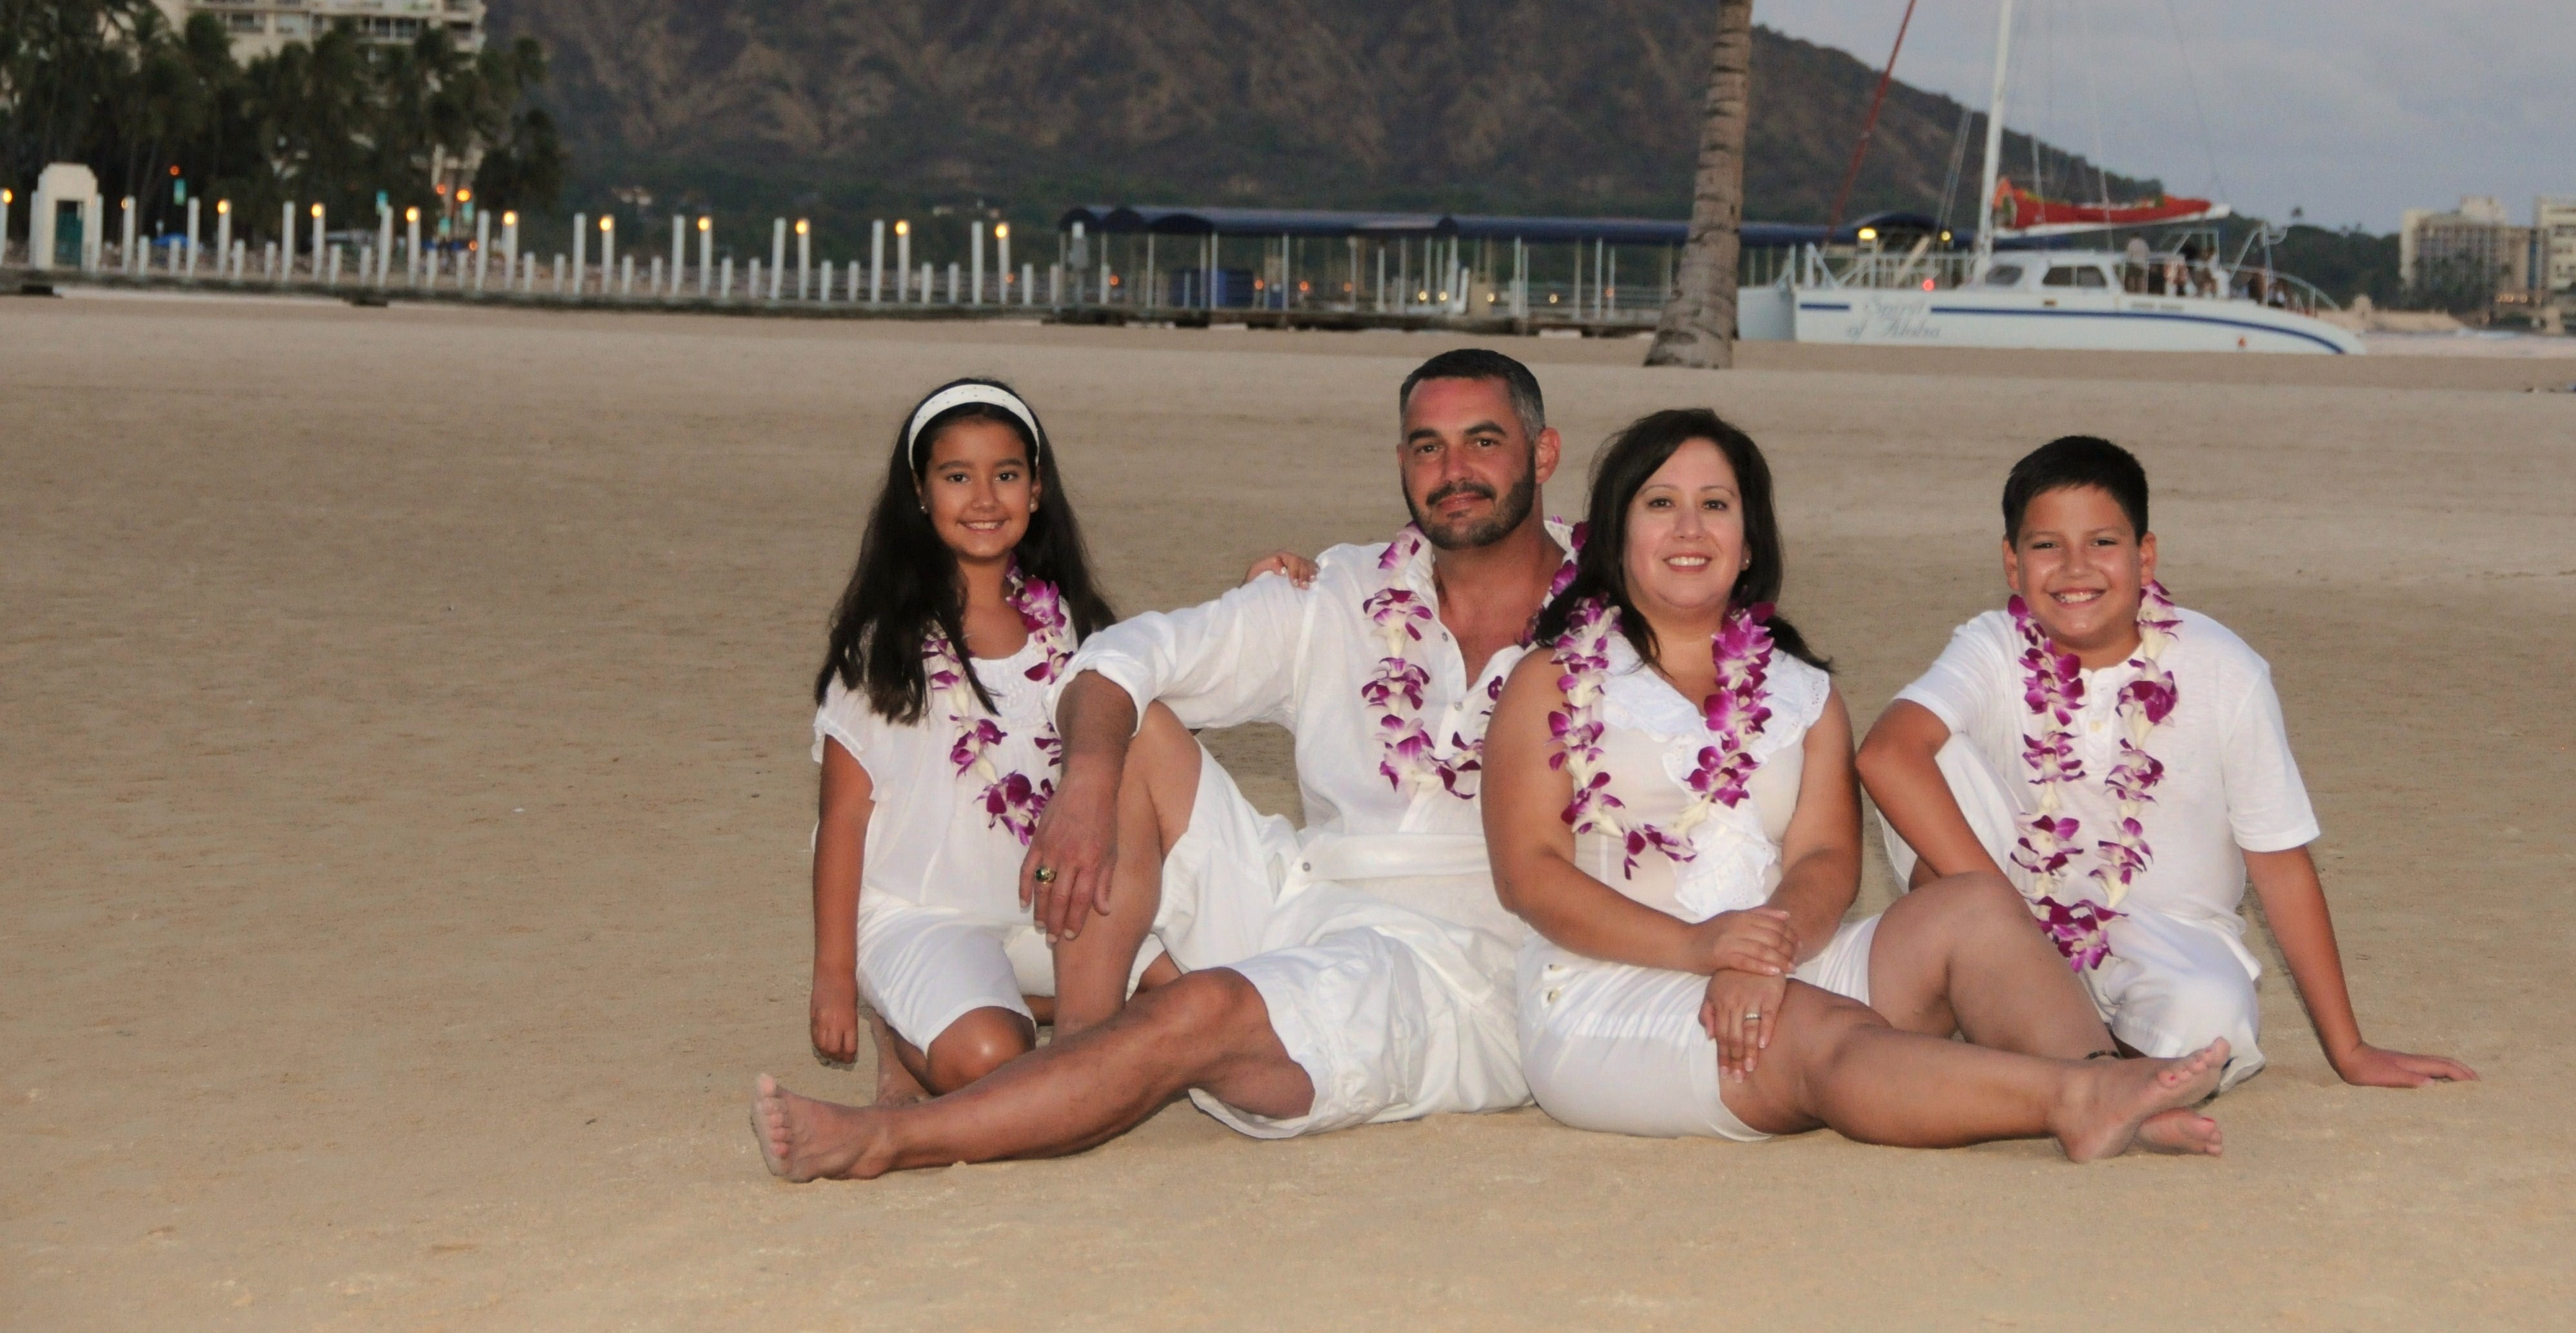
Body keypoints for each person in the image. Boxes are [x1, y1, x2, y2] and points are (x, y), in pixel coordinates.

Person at [750, 348, 1581, 1178]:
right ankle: (1077, 1053)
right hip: (1302, 896)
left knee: (1200, 1006)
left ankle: (888, 1140)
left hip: (1455, 973)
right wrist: (1085, 782)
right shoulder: (1343, 591)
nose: (1453, 469)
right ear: (1401, 460)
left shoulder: (1611, 628)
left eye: (1482, 441)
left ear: (1542, 453)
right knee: (1132, 720)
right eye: (1428, 446)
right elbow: (1126, 655)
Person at [1481, 409, 2230, 1159]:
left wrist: (1759, 956)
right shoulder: (1551, 680)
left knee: (1972, 902)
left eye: (1715, 503)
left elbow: (1826, 860)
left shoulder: (1802, 691)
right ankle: (2074, 1098)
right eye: (1659, 502)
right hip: (1608, 992)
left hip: (1781, 957)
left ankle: (2102, 1078)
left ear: (1748, 540)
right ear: (1617, 533)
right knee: (1815, 1028)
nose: (1689, 528)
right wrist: (1703, 947)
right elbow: (1529, 875)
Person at [1855, 434, 2477, 1094]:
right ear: (2012, 563)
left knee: (2210, 1019)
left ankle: (2081, 1058)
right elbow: (1884, 754)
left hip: (2171, 938)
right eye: (2046, 546)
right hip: (2012, 915)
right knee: (1931, 746)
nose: (2075, 568)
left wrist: (2348, 1049)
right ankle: (2041, 1020)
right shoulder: (1993, 645)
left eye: (2102, 542)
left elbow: (2279, 864)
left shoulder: (2223, 668)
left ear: (2144, 555)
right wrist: (2011, 927)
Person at [803, 378, 1284, 1101]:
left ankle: (1016, 1003)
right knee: (990, 1060)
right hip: (922, 916)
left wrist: (1258, 598)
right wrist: (834, 976)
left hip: (1051, 911)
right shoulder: (884, 649)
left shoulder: (1075, 627)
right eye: (956, 477)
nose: (984, 498)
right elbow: (843, 818)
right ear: (920, 494)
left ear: (1036, 490)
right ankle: (903, 1029)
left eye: (1006, 475)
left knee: (1200, 1008)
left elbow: (1159, 726)